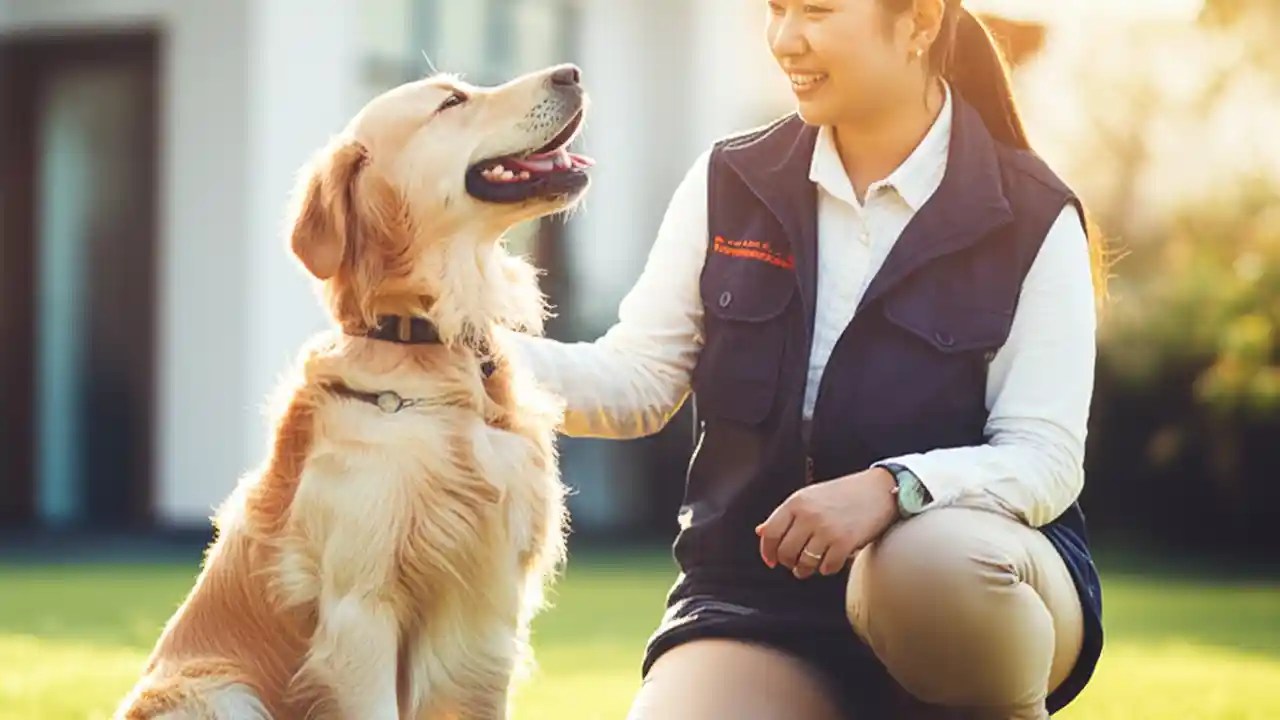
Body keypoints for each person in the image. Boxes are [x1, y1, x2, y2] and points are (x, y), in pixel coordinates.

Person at [500, 1, 1107, 717]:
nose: (786, 39)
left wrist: (892, 489)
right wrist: (468, 353)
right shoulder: (730, 181)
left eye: (816, 9)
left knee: (923, 566)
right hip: (757, 602)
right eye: (777, 8)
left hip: (968, 588)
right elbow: (637, 381)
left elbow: (1044, 458)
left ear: (918, 23)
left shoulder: (1032, 215)